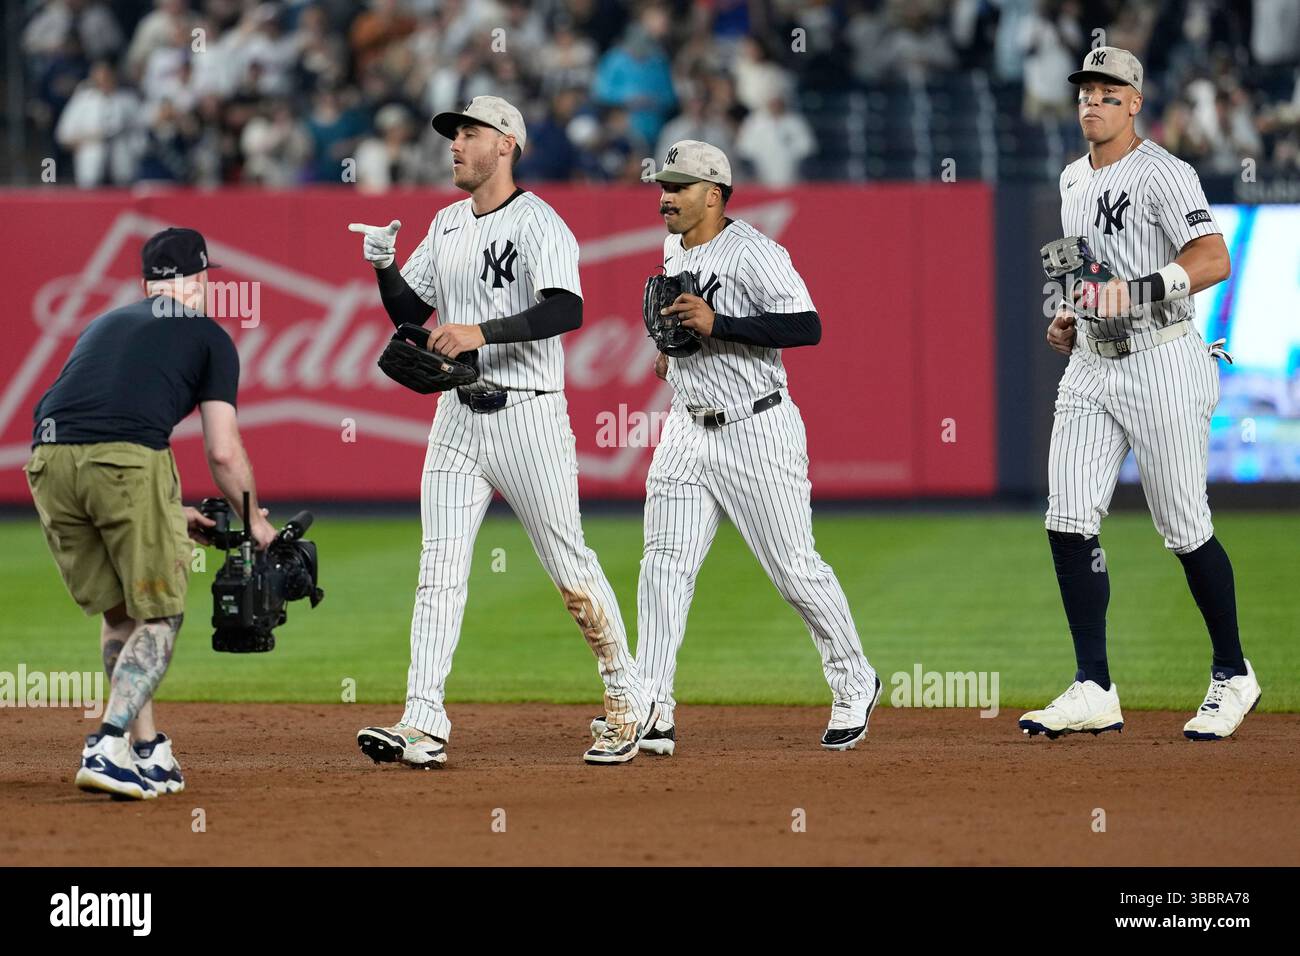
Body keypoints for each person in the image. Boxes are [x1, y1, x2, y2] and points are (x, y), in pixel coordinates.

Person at [348, 96, 656, 768]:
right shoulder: (448, 223)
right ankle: (422, 721)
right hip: (457, 414)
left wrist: (480, 332)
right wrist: (383, 266)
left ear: (506, 143)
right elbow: (412, 308)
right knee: (440, 568)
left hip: (529, 414)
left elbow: (566, 309)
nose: (454, 144)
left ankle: (629, 703)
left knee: (568, 566)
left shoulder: (540, 222)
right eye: (452, 134)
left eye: (468, 133)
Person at [591, 141, 882, 755]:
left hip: (758, 427)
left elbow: (807, 326)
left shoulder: (756, 252)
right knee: (663, 567)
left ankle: (855, 679)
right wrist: (670, 357)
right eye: (662, 186)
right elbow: (683, 326)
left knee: (794, 571)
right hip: (685, 429)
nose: (665, 196)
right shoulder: (674, 247)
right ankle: (654, 708)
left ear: (715, 194)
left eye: (679, 186)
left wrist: (720, 324)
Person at [1021, 48, 1261, 742]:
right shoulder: (1071, 179)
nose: (1092, 101)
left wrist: (1140, 290)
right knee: (1067, 518)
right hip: (1093, 363)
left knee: (1185, 527)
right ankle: (1094, 684)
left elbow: (1212, 256)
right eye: (1085, 91)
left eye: (1108, 91)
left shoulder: (1164, 172)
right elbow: (1088, 274)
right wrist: (1070, 316)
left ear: (1134, 103)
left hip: (1162, 358)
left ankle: (1233, 673)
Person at [26, 227, 276, 800]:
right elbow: (222, 450)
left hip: (46, 464)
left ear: (147, 285)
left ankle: (148, 751)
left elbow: (89, 417)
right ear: (204, 281)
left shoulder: (105, 323)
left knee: (121, 615)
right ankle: (107, 744)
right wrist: (255, 518)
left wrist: (168, 511)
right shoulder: (208, 335)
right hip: (124, 462)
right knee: (161, 614)